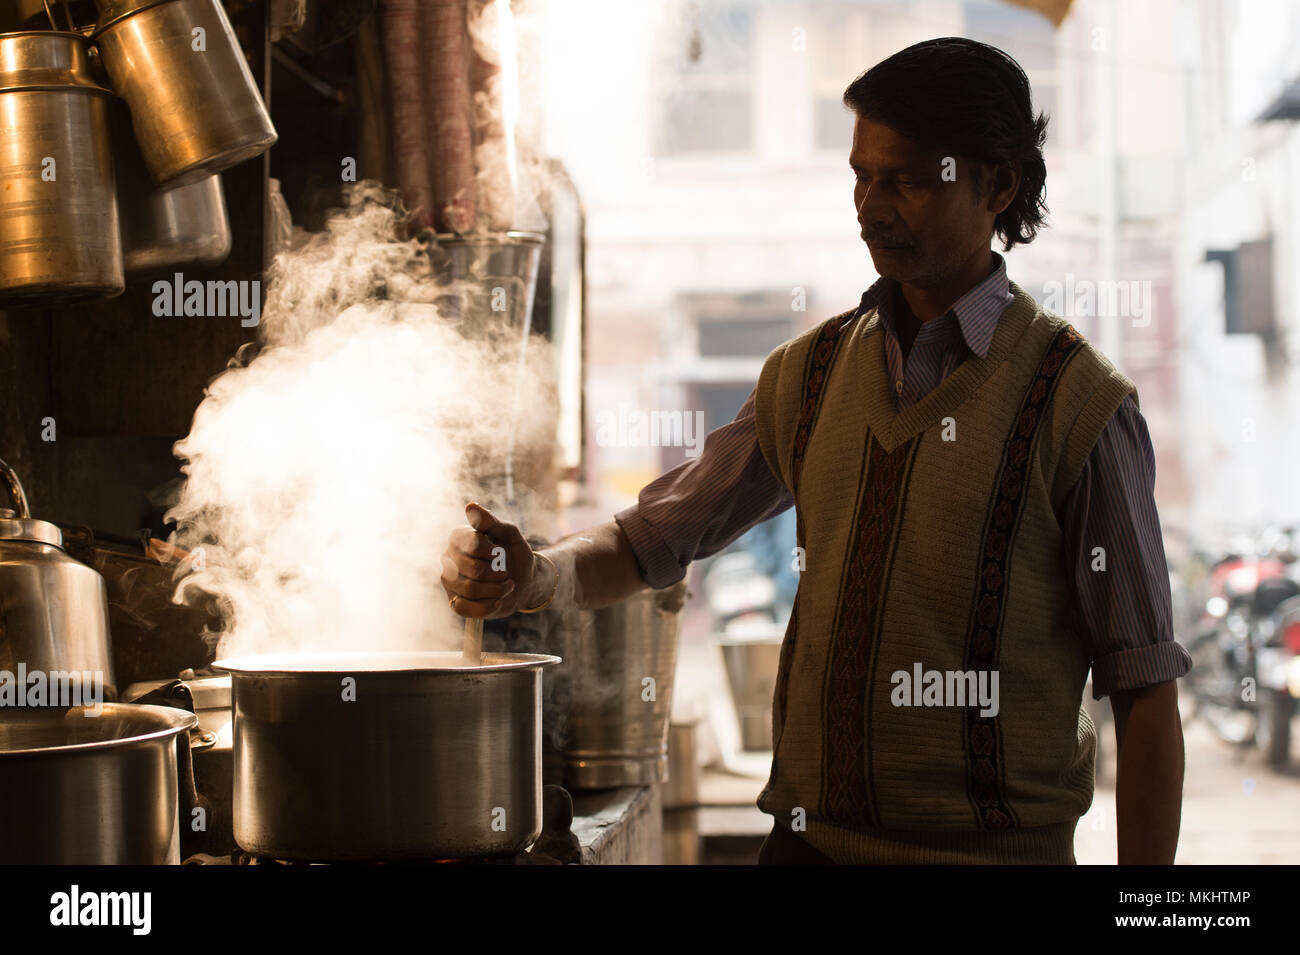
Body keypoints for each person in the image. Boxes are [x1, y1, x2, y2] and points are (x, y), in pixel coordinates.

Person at [441, 36, 1191, 865]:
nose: (870, 206)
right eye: (861, 175)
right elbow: (651, 541)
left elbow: (1147, 688)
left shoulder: (1080, 405)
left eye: (905, 179)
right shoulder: (810, 374)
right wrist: (532, 574)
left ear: (998, 184)